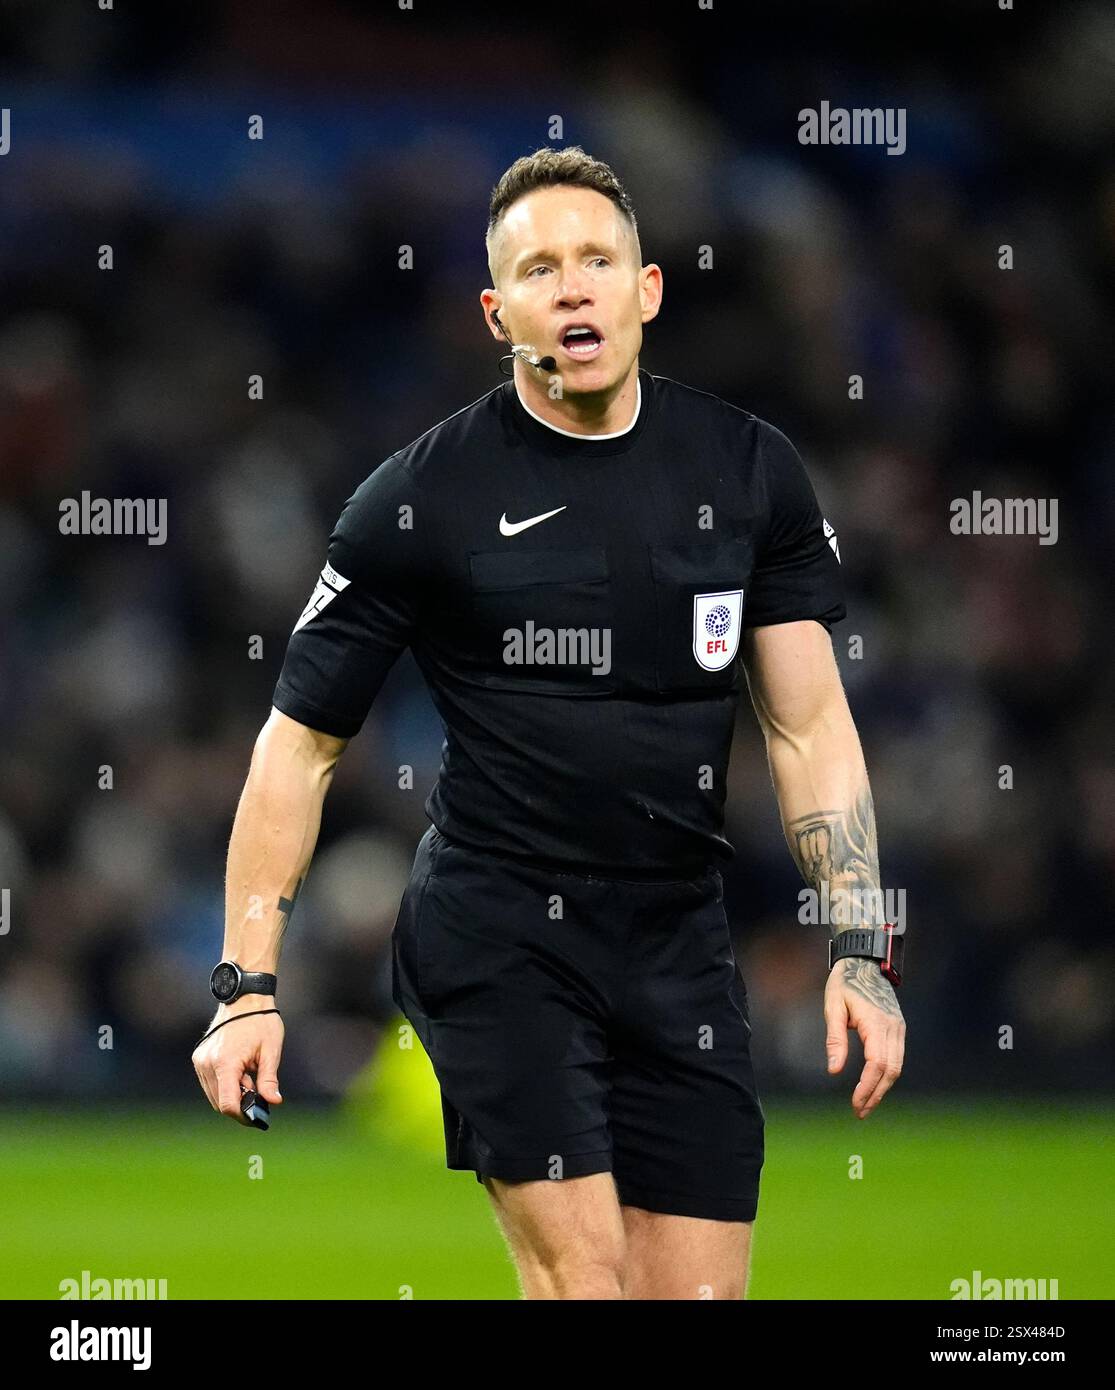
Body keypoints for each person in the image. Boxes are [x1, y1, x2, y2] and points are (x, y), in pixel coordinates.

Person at [192, 146, 906, 1300]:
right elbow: (299, 740)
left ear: (646, 289)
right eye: (536, 269)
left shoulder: (748, 470)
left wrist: (858, 948)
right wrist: (246, 988)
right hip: (499, 934)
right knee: (587, 1279)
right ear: (494, 312)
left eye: (594, 260)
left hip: (677, 938)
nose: (570, 287)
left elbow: (806, 726)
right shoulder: (419, 499)